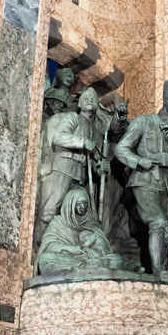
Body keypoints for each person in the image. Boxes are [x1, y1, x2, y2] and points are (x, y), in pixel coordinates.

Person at [115, 79, 168, 282]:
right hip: (145, 180)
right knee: (158, 221)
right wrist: (139, 161)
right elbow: (120, 149)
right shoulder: (144, 121)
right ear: (165, 99)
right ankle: (158, 271)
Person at [37, 87, 104, 243]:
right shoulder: (73, 117)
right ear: (79, 104)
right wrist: (82, 142)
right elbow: (58, 137)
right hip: (62, 166)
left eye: (93, 99)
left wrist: (100, 168)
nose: (90, 101)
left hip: (80, 175)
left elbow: (93, 161)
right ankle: (40, 248)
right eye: (86, 98)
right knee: (50, 211)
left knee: (74, 216)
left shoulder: (97, 132)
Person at [37, 188, 129, 274]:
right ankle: (88, 269)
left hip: (89, 259)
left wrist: (89, 248)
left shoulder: (91, 225)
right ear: (70, 204)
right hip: (67, 258)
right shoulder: (58, 223)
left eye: (85, 203)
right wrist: (68, 248)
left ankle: (82, 268)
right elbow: (48, 246)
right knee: (45, 259)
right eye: (79, 203)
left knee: (117, 260)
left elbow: (104, 252)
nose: (83, 206)